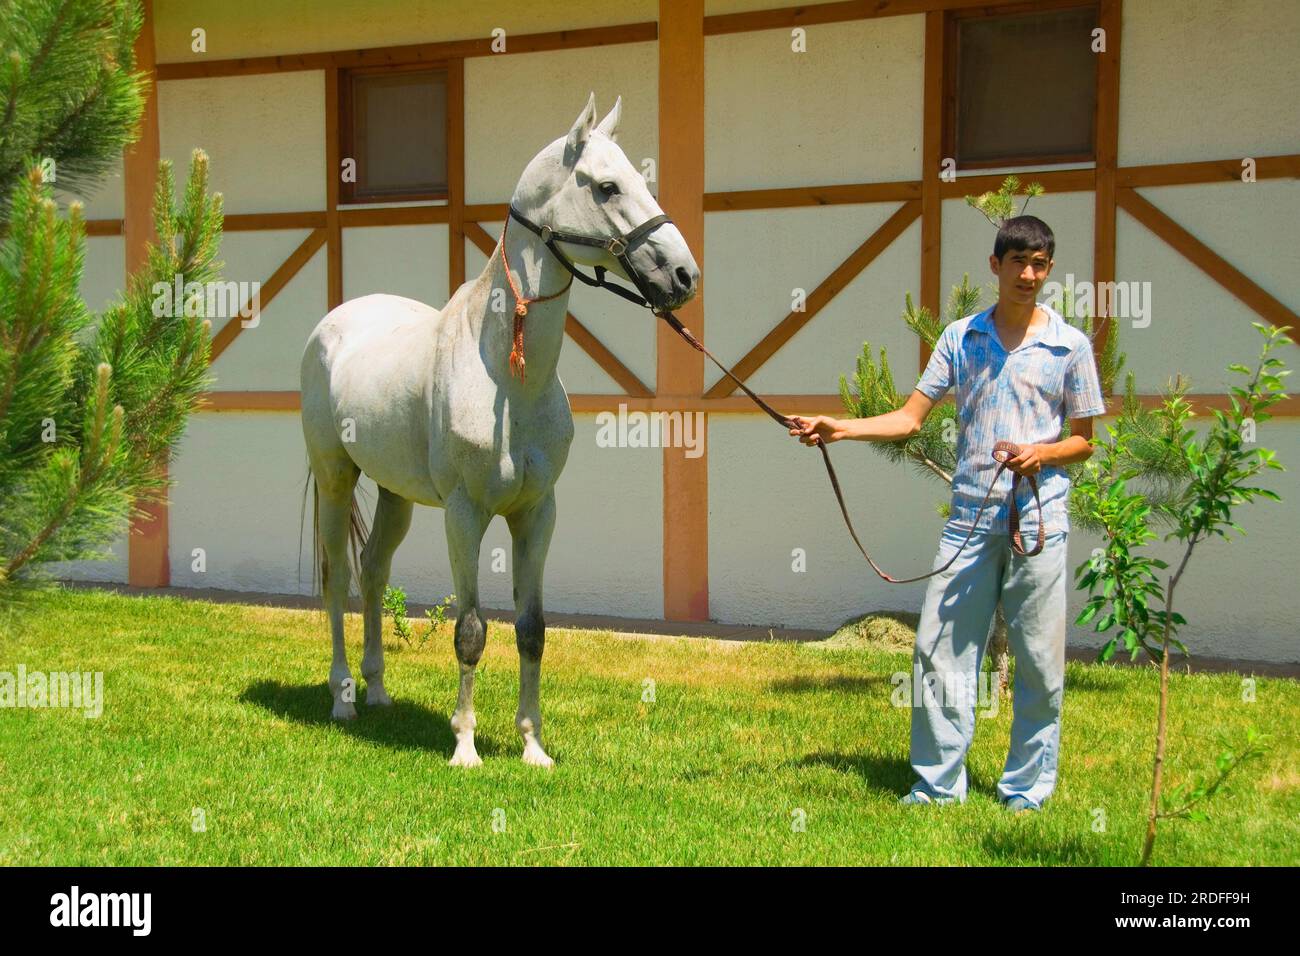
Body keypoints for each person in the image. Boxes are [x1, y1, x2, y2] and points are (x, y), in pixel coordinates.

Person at [788, 215, 1107, 814]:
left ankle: (1027, 791)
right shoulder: (961, 338)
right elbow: (909, 418)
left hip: (1037, 524)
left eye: (1040, 264)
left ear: (1048, 269)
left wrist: (1042, 452)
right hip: (968, 523)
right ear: (995, 265)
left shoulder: (1070, 346)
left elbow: (1085, 440)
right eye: (1018, 262)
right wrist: (839, 427)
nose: (1029, 274)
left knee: (1039, 662)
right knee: (938, 654)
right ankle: (936, 787)